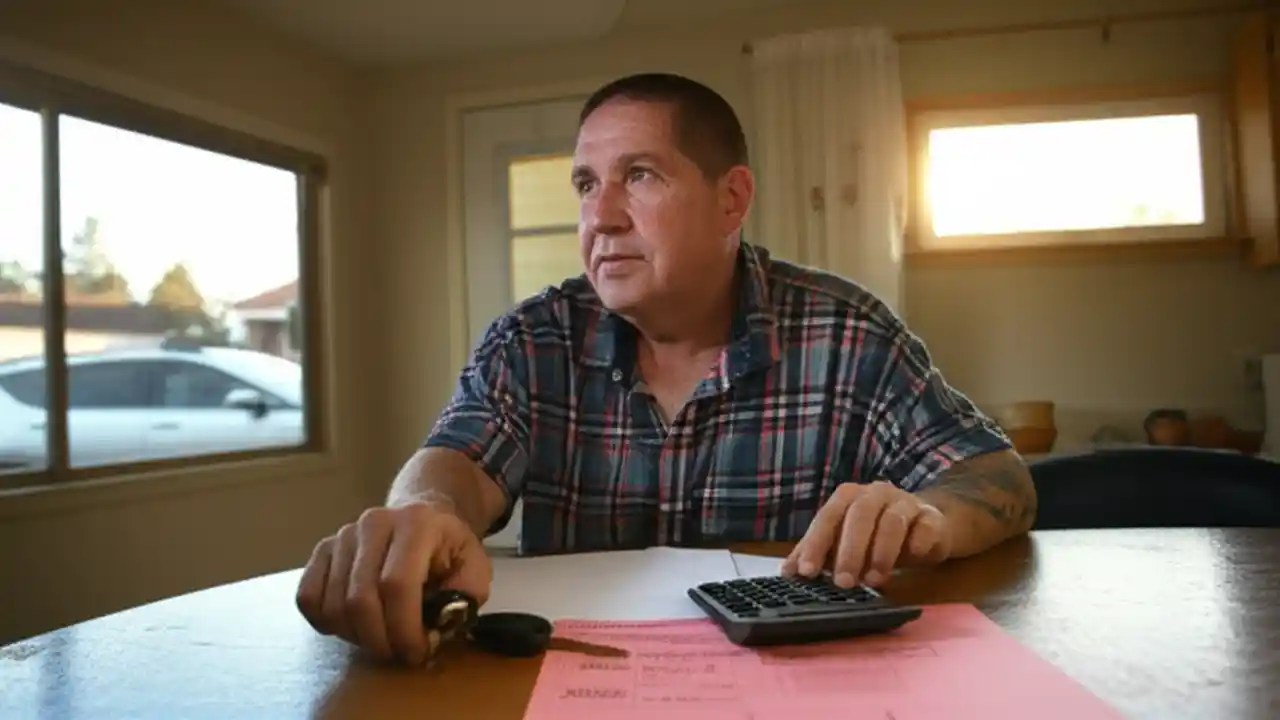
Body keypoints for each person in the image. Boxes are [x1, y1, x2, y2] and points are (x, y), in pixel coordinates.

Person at [296, 72, 1037, 666]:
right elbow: (454, 462)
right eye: (586, 184)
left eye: (640, 176)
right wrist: (427, 512)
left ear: (731, 199)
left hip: (803, 691)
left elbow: (999, 479)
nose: (601, 217)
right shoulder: (531, 340)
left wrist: (929, 516)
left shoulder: (848, 333)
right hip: (581, 680)